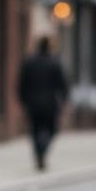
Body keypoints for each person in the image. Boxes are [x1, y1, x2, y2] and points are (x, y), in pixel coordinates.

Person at [17, 37, 68, 171]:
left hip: (32, 104)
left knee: (34, 129)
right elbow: (63, 85)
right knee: (51, 129)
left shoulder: (29, 63)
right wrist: (63, 101)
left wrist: (23, 101)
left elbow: (22, 84)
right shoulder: (54, 63)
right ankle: (43, 149)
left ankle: (38, 152)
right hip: (50, 104)